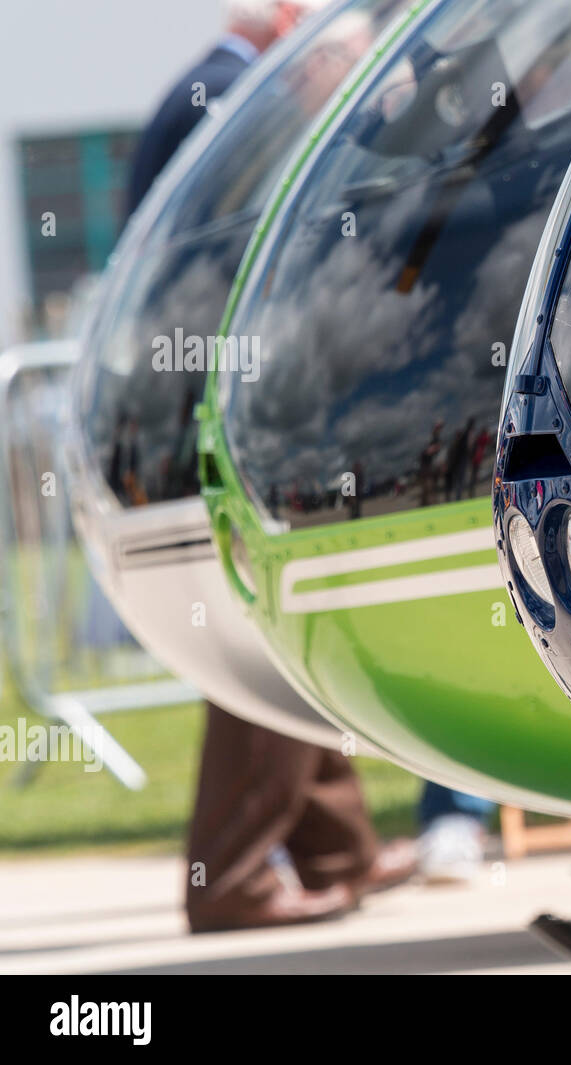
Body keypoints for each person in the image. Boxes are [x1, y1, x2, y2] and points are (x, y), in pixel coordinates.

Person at [126, 0, 416, 933]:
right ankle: (233, 874)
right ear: (296, 23)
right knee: (270, 626)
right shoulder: (224, 100)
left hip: (215, 388)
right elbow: (228, 260)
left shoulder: (203, 95)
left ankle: (337, 846)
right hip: (226, 395)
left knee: (290, 624)